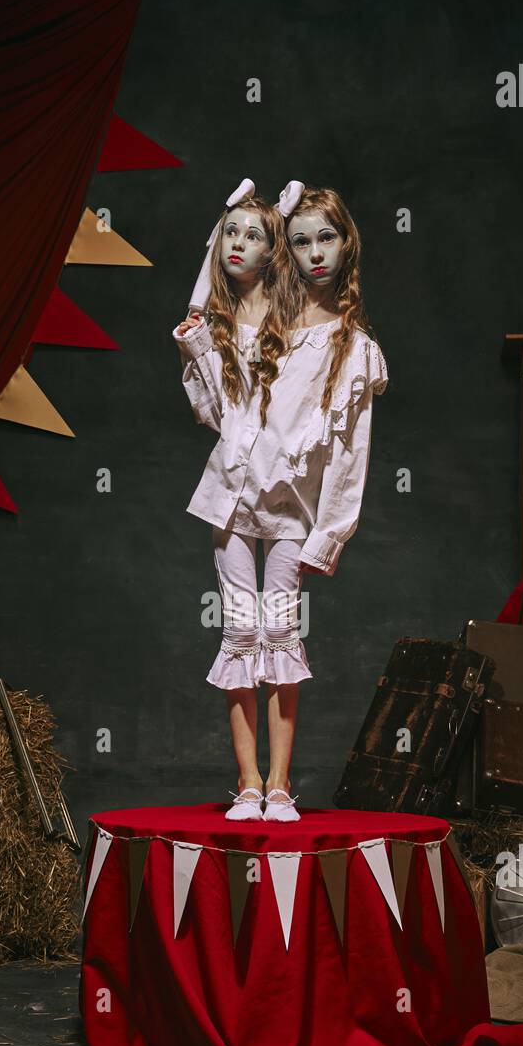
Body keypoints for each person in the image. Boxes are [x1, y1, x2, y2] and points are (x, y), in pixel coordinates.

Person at [173, 182, 387, 822]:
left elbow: (351, 456)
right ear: (283, 251)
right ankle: (246, 783)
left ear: (348, 241)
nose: (315, 253)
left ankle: (279, 786)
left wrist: (331, 534)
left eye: (327, 237)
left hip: (295, 507)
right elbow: (216, 413)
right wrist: (199, 346)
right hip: (234, 499)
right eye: (299, 240)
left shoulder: (352, 345)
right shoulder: (263, 320)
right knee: (240, 627)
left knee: (282, 632)